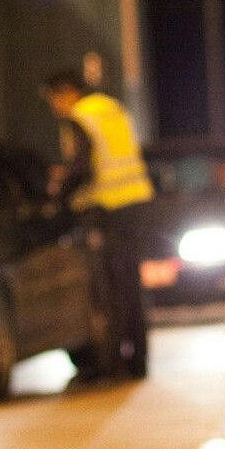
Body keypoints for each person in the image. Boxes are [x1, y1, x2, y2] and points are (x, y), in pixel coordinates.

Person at [40, 68, 155, 378]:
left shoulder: (81, 117)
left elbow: (83, 168)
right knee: (131, 286)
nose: (54, 108)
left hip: (107, 209)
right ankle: (138, 361)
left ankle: (113, 363)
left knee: (109, 291)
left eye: (53, 99)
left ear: (66, 92)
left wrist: (58, 195)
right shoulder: (111, 107)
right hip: (135, 202)